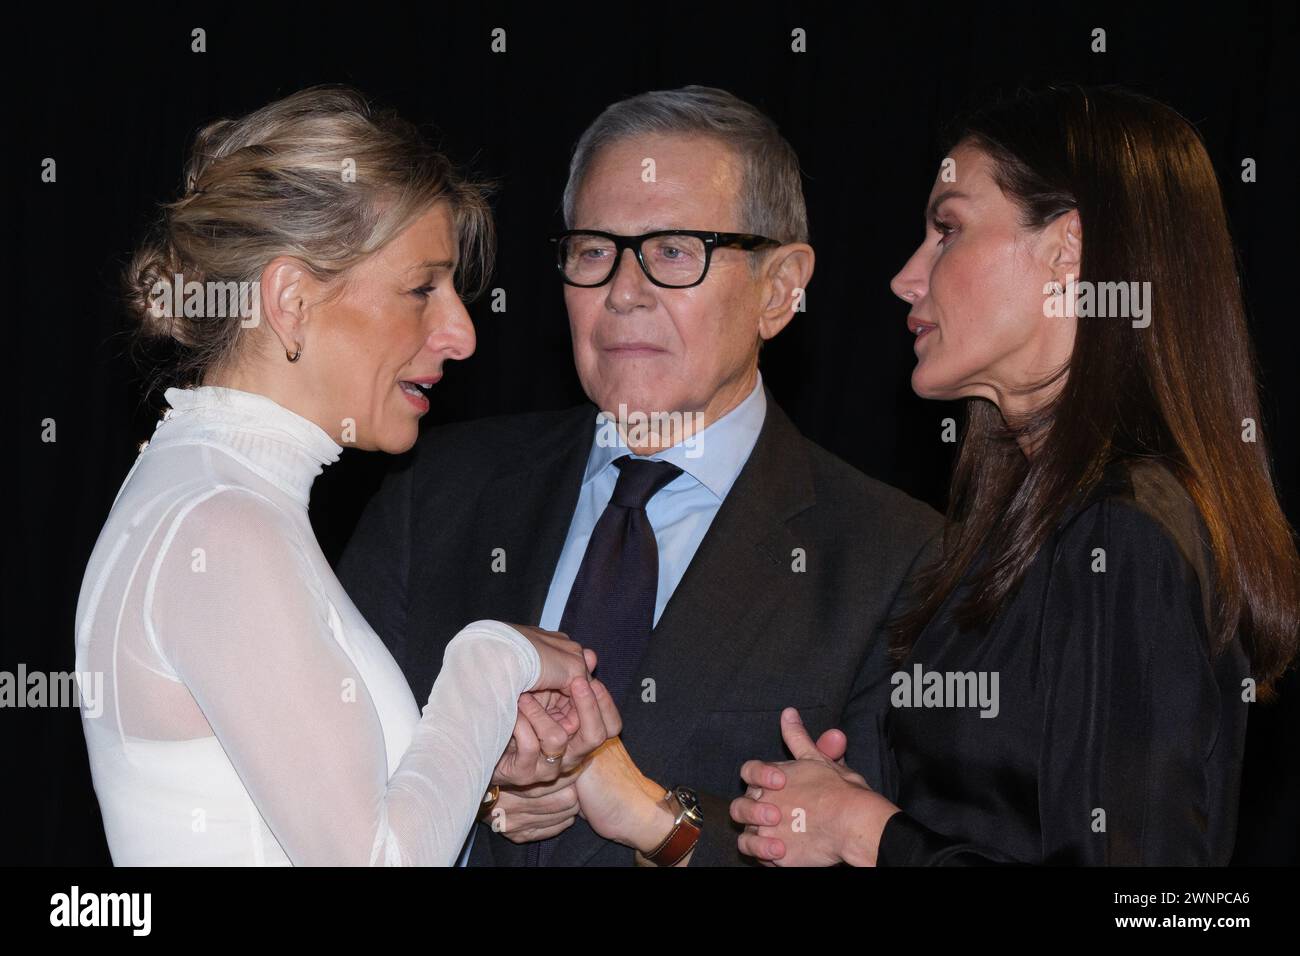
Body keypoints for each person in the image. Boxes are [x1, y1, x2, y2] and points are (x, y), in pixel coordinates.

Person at [337, 85, 942, 866]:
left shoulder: (899, 561)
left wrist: (664, 819)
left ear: (781, 288)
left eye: (674, 251)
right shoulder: (438, 491)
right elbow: (318, 778)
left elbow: (903, 854)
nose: (623, 293)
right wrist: (478, 789)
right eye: (594, 251)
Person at [729, 85, 1300, 866]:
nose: (906, 277)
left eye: (947, 229)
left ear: (1067, 247)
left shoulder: (1123, 532)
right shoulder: (1019, 534)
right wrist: (852, 812)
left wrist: (870, 835)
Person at [73, 85, 615, 866]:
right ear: (291, 301)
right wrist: (488, 663)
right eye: (421, 288)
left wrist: (478, 774)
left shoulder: (207, 497)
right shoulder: (219, 522)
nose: (460, 334)